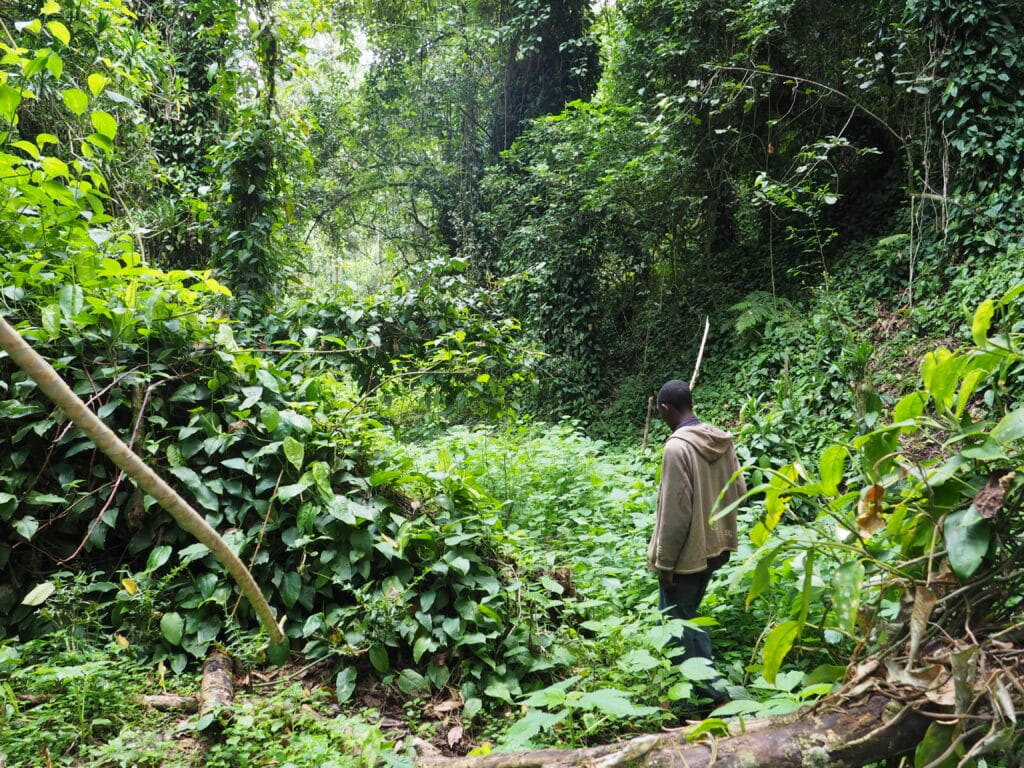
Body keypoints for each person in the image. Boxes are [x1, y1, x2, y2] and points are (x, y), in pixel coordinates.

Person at [647, 378, 746, 710]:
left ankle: (711, 695)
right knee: (687, 614)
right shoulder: (719, 439)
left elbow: (675, 514)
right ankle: (704, 692)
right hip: (716, 546)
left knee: (676, 620)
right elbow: (739, 490)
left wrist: (664, 564)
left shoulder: (678, 448)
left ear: (666, 409)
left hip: (688, 554)